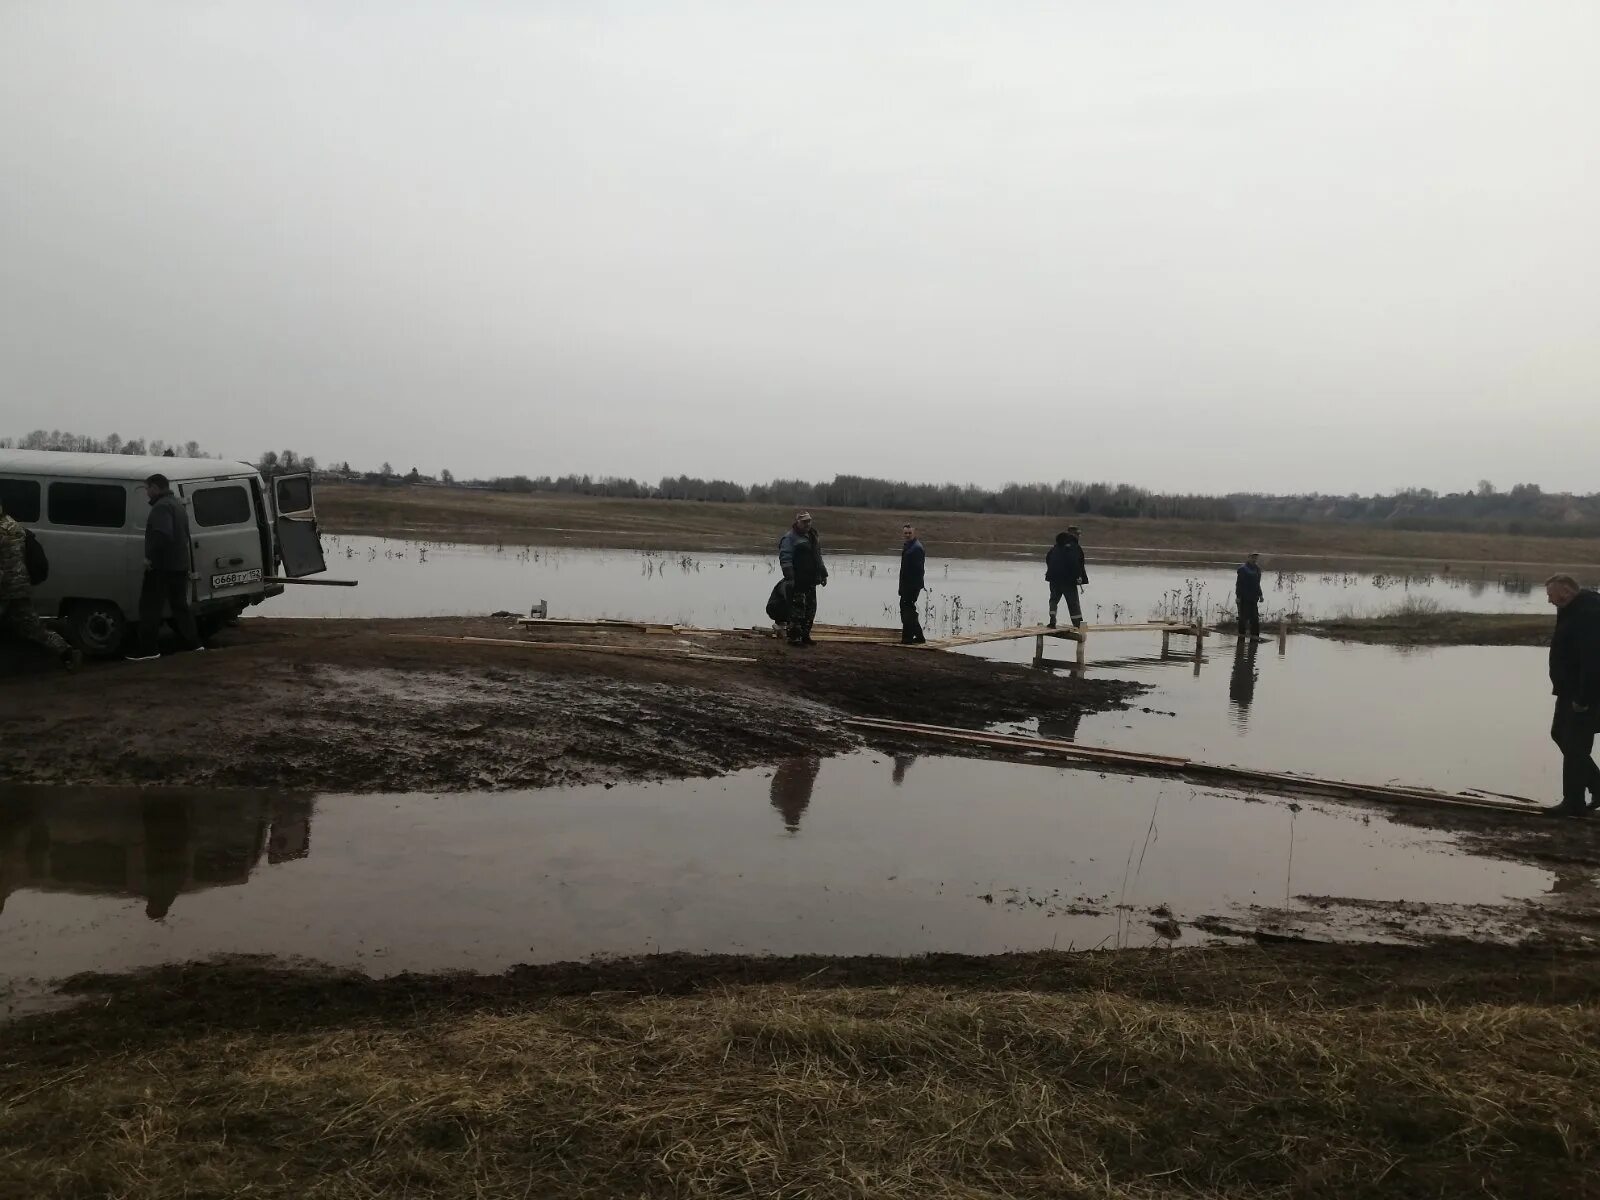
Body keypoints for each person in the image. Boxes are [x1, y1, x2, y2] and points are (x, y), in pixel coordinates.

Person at [0, 501, 80, 672]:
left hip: (3, 588)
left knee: (30, 627)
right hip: (19, 587)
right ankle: (67, 653)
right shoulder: (13, 525)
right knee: (34, 628)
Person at [1544, 574, 1600, 817]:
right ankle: (1596, 786)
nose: (1549, 600)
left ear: (1566, 591)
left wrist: (1584, 698)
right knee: (1560, 734)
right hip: (1569, 689)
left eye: (1551, 595)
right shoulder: (1571, 609)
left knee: (1576, 743)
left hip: (1585, 692)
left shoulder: (1589, 612)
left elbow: (1592, 659)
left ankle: (1573, 801)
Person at [129, 474, 201, 661]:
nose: (146, 493)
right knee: (180, 606)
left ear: (155, 487)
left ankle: (148, 650)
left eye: (147, 488)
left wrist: (149, 558)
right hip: (179, 565)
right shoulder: (177, 504)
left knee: (150, 607)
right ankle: (193, 644)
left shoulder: (161, 508)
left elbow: (162, 534)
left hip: (161, 567)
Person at [777, 510, 827, 646]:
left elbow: (818, 557)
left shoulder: (813, 536)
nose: (807, 524)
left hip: (811, 580)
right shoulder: (790, 538)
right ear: (797, 522)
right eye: (804, 521)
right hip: (797, 581)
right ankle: (794, 638)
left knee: (810, 610)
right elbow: (785, 559)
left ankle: (805, 636)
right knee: (797, 611)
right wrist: (790, 578)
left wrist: (823, 573)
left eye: (809, 521)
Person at [1045, 527, 1088, 628]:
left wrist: (1053, 571)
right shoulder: (1074, 547)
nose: (1079, 537)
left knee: (1053, 600)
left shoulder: (1056, 546)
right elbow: (1075, 562)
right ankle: (1078, 625)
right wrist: (1078, 576)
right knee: (1073, 603)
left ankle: (1052, 620)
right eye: (1078, 534)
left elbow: (1048, 558)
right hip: (1068, 580)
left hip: (1054, 578)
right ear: (1073, 535)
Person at [898, 523, 926, 645]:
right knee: (907, 609)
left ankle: (908, 638)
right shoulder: (909, 546)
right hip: (907, 585)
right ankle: (919, 637)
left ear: (914, 533)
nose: (907, 535)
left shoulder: (916, 548)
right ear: (903, 533)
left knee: (907, 610)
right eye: (905, 533)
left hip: (911, 585)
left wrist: (912, 587)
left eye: (909, 533)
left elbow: (919, 570)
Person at [1236, 552, 1265, 640]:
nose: (1254, 559)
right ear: (1248, 557)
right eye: (1252, 557)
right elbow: (1239, 584)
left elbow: (1257, 584)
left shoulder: (1257, 569)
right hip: (1244, 597)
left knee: (1255, 618)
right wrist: (1238, 596)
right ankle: (1241, 637)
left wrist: (1260, 595)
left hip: (1254, 597)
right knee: (1243, 618)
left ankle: (1255, 637)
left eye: (1256, 558)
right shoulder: (1242, 569)